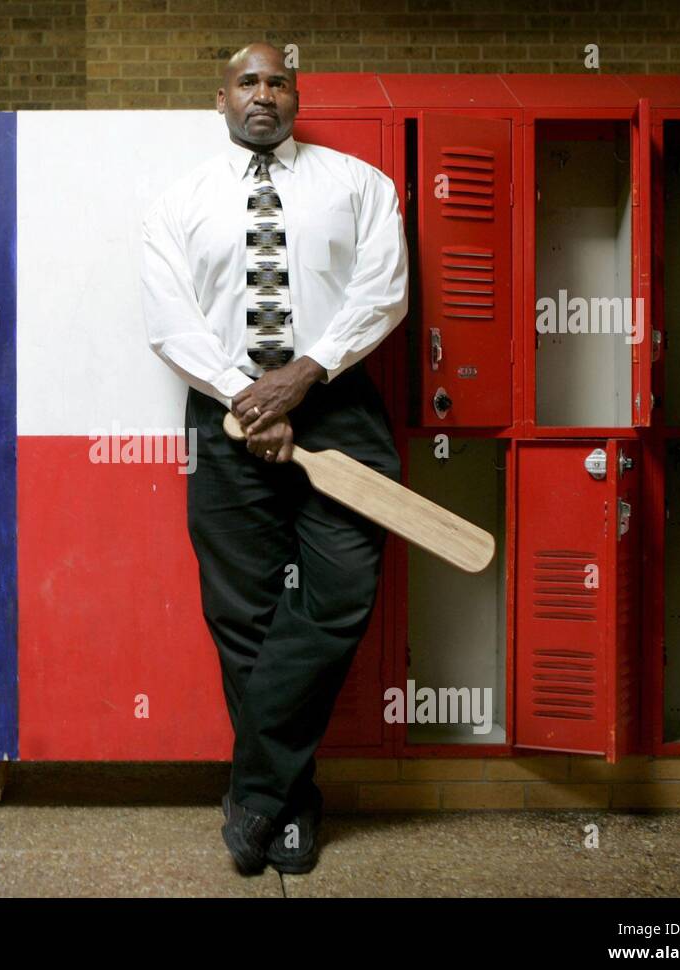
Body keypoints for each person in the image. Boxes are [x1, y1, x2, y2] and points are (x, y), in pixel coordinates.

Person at [138, 42, 409, 874]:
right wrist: (246, 398)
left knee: (340, 592)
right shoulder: (177, 200)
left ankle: (253, 791)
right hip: (226, 410)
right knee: (243, 616)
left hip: (337, 403)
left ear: (297, 94)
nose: (263, 94)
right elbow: (170, 318)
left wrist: (301, 376)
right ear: (220, 99)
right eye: (247, 82)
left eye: (277, 81)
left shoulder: (360, 185)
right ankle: (293, 809)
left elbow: (384, 290)